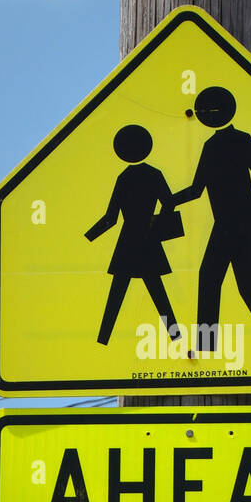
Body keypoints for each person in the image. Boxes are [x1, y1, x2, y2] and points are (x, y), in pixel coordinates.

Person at [173, 86, 251, 352]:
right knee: (233, 283)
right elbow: (198, 189)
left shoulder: (225, 143)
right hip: (234, 225)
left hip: (234, 225)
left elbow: (196, 190)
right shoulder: (223, 143)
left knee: (230, 283)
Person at [85, 124, 181, 346]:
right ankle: (176, 337)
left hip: (129, 240)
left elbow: (111, 218)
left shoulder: (124, 178)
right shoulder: (154, 175)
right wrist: (156, 228)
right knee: (157, 291)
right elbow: (169, 204)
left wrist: (89, 236)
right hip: (147, 239)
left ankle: (103, 340)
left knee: (118, 293)